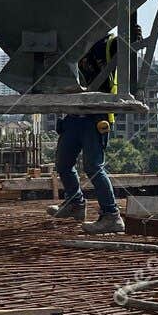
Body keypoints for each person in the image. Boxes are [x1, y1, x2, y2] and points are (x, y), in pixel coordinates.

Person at [46, 22, 142, 234]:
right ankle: (75, 204)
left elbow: (123, 49)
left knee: (94, 167)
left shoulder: (107, 44)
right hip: (73, 116)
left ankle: (111, 215)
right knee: (63, 164)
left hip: (95, 117)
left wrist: (130, 39)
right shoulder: (72, 44)